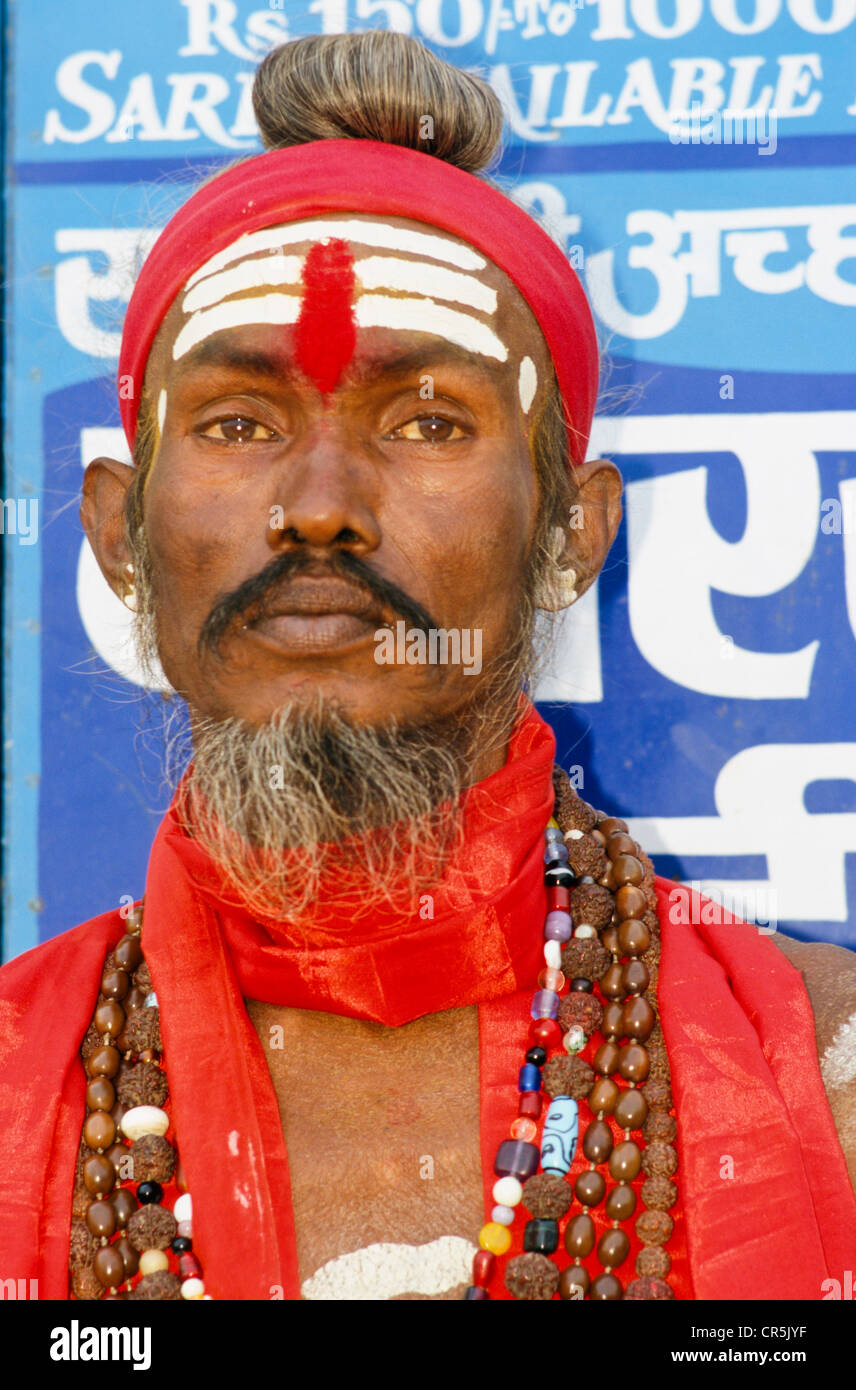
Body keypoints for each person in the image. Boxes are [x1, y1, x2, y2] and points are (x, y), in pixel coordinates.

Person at [1, 31, 854, 1304]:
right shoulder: (22, 1071)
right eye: (238, 422)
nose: (320, 507)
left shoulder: (827, 1068)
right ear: (120, 535)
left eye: (428, 422)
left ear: (570, 536)